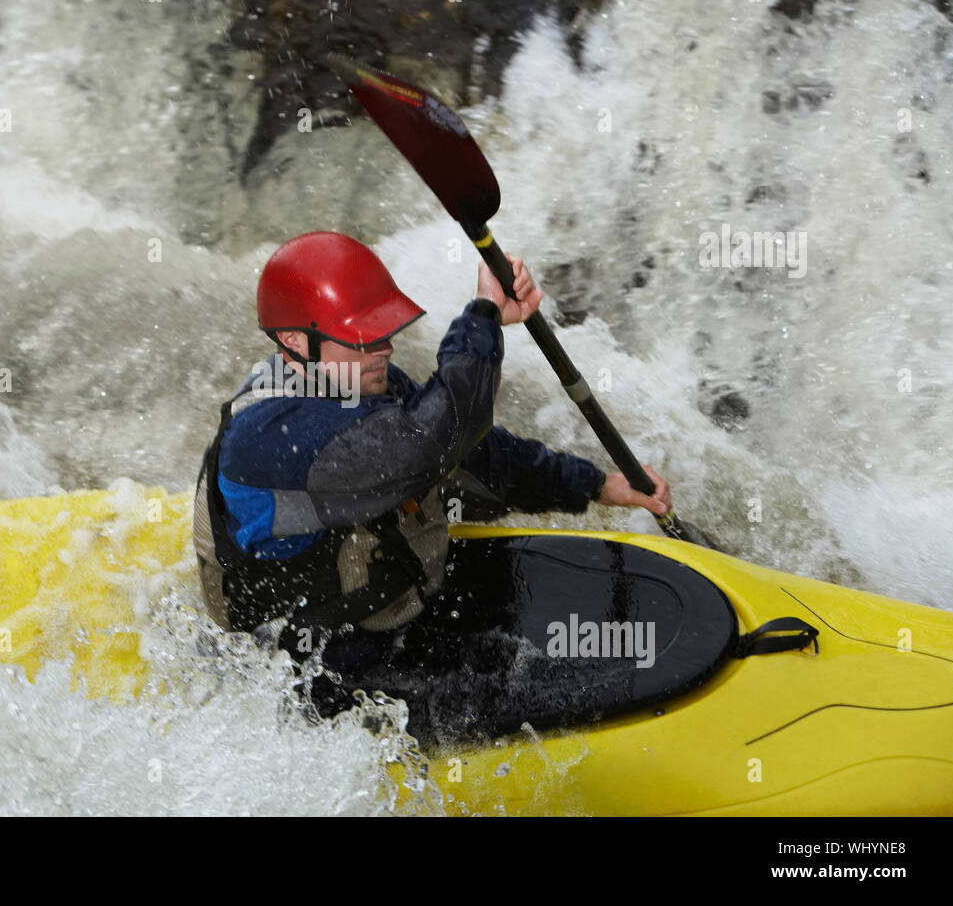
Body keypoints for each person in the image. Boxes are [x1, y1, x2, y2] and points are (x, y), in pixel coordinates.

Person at [193, 231, 672, 741]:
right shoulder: (273, 435)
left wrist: (596, 486)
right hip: (311, 661)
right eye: (364, 335)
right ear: (295, 342)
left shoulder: (356, 379)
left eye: (384, 330)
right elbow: (431, 439)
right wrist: (484, 313)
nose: (386, 346)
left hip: (383, 601)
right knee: (488, 704)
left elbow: (477, 452)